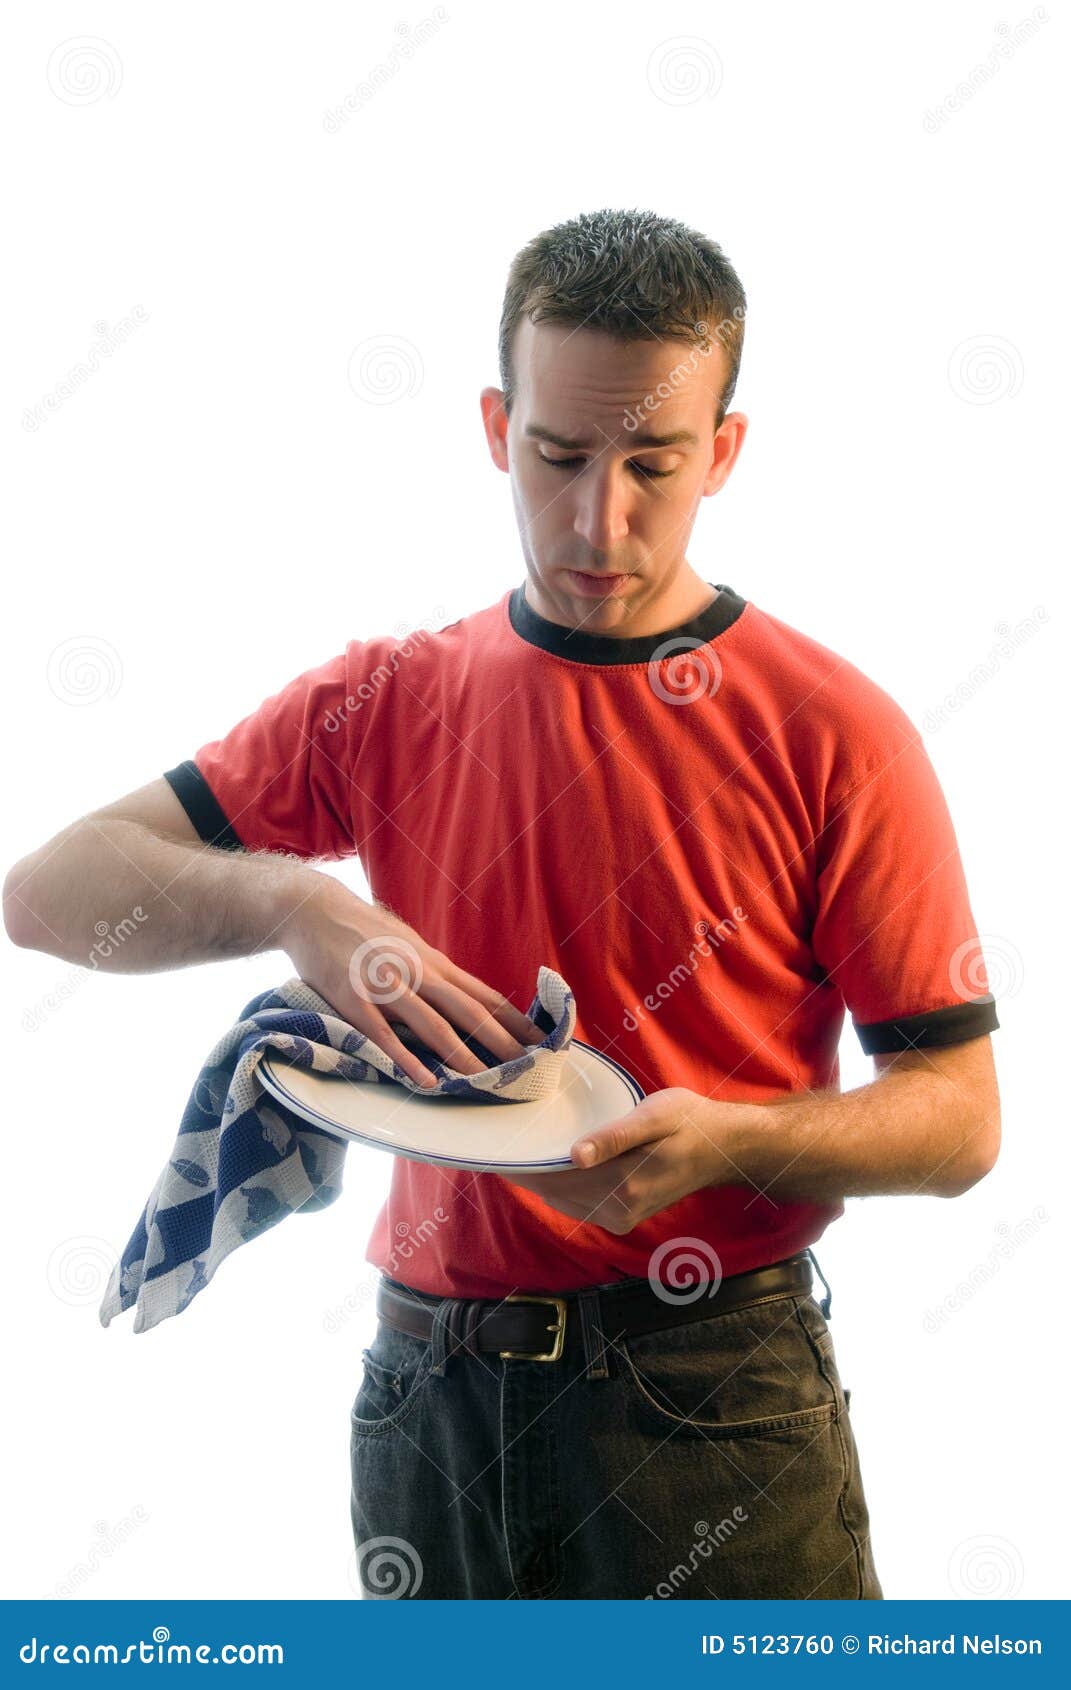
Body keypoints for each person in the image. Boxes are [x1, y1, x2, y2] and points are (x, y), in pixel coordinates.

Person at [4, 208, 1000, 1601]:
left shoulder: (838, 732)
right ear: (493, 426)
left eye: (654, 463)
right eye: (557, 455)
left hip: (714, 1397)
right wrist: (297, 900)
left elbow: (960, 1119)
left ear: (724, 451)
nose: (601, 517)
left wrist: (734, 1142)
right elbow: (47, 897)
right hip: (432, 1397)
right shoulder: (385, 700)